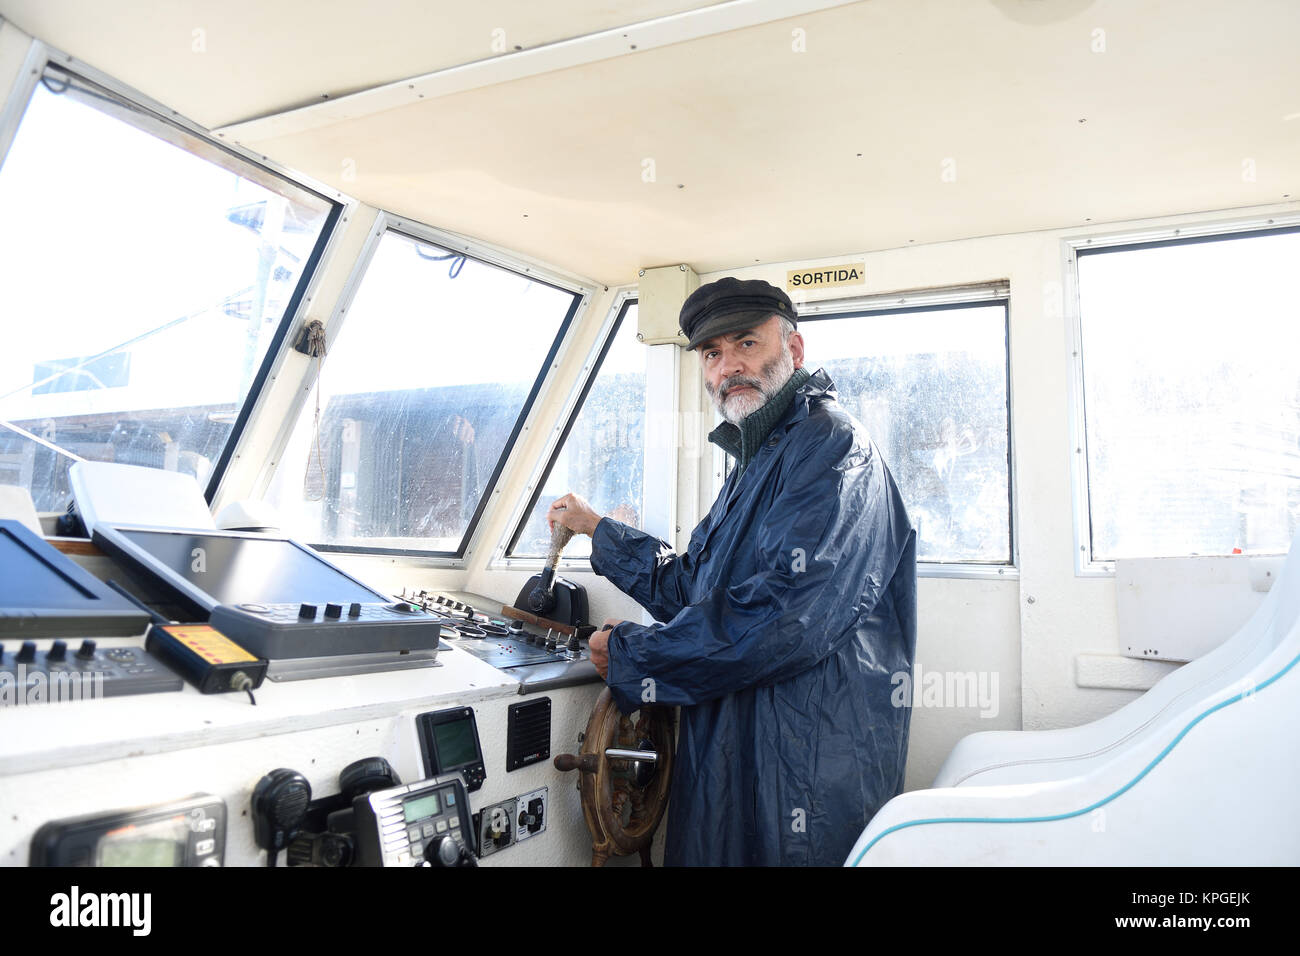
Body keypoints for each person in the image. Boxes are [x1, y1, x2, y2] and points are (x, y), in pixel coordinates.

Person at [547, 277, 916, 866]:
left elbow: (780, 619)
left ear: (793, 352)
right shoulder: (757, 460)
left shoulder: (832, 447)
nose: (728, 367)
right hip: (733, 754)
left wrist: (637, 656)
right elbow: (694, 586)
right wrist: (599, 529)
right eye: (713, 353)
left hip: (802, 769)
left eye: (746, 343)